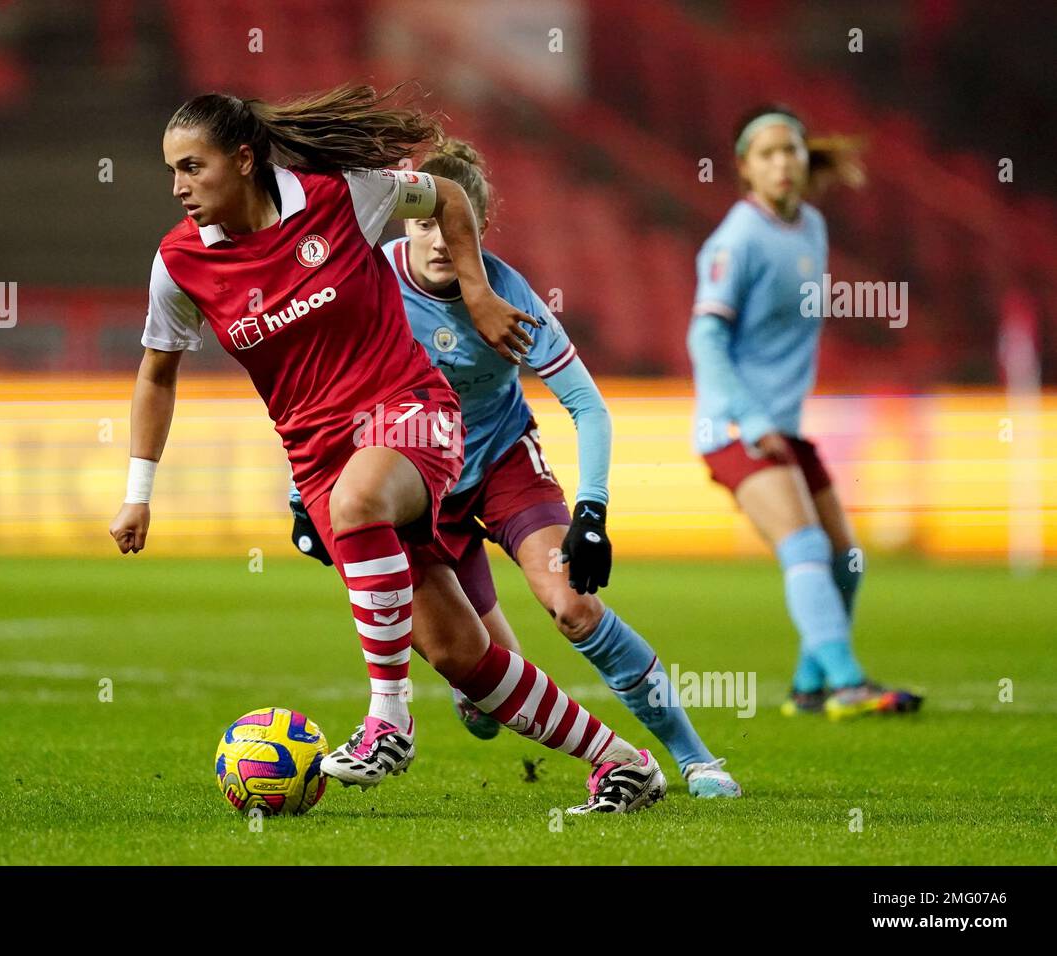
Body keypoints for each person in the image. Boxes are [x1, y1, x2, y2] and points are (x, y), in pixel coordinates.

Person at [110, 84, 665, 813]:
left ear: (243, 160)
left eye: (193, 167)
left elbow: (445, 197)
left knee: (360, 500)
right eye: (172, 172)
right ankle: (622, 763)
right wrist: (138, 493)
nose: (179, 188)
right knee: (461, 655)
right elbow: (157, 375)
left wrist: (477, 292)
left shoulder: (343, 197)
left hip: (413, 410)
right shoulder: (180, 264)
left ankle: (388, 721)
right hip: (319, 459)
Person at [292, 139, 741, 797]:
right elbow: (313, 388)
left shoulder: (511, 297)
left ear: (478, 226)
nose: (440, 241)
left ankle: (696, 759)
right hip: (418, 486)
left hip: (502, 464)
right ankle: (483, 682)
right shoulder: (371, 283)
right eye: (424, 224)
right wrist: (301, 492)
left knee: (575, 608)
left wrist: (590, 511)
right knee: (478, 674)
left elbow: (588, 405)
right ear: (403, 221)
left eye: (453, 226)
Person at [685, 105, 922, 720]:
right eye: (766, 154)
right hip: (736, 426)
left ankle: (809, 687)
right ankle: (847, 684)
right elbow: (704, 339)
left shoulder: (810, 227)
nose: (782, 162)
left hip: (782, 425)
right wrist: (753, 419)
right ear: (744, 168)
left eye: (790, 149)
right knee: (806, 547)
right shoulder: (734, 241)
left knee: (847, 557)